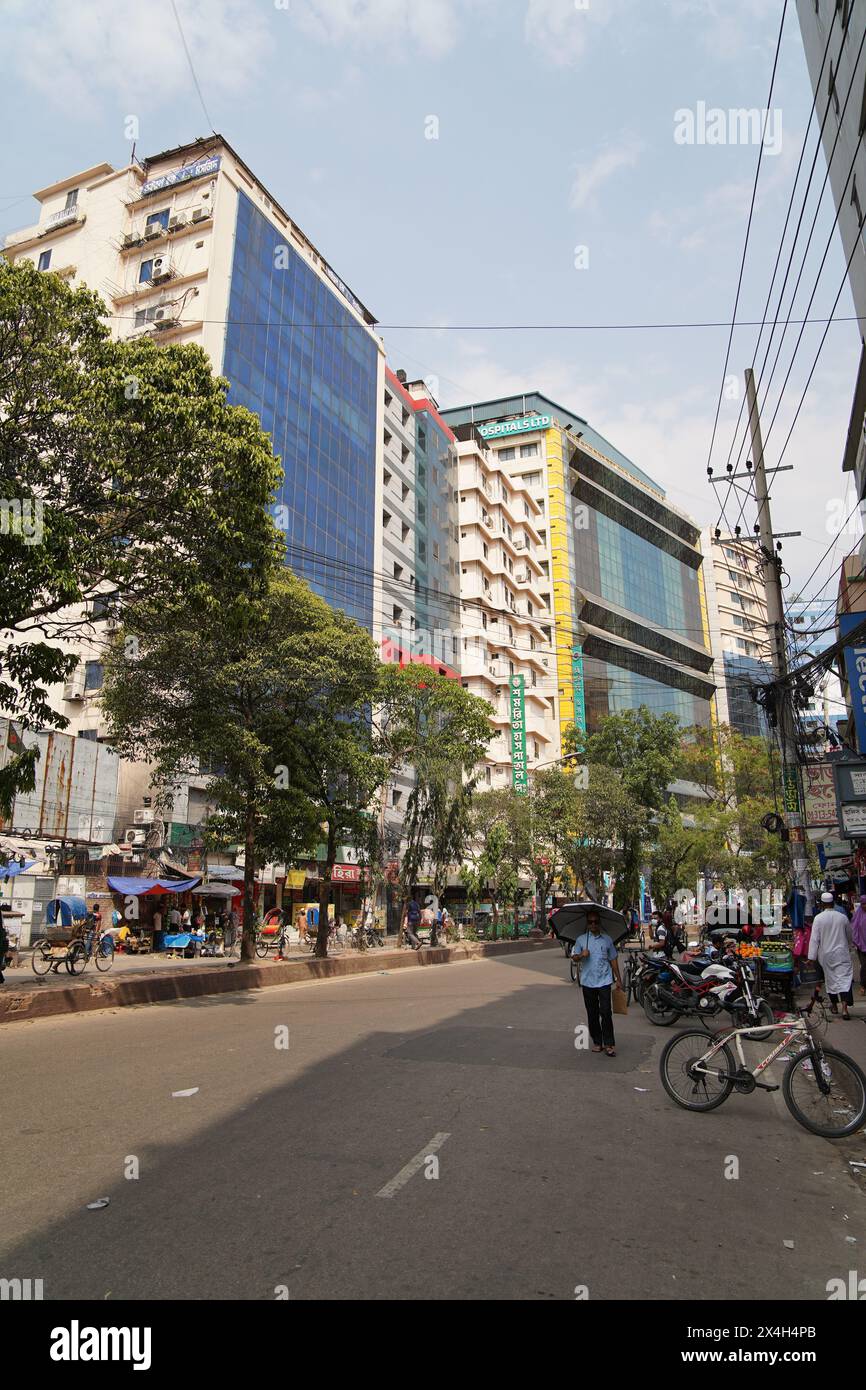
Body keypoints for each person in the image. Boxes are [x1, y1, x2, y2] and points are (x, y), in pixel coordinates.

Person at [572, 910, 622, 1057]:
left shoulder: (607, 940)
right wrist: (582, 955)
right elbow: (574, 957)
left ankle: (609, 1043)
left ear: (599, 923)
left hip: (605, 981)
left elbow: (613, 959)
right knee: (592, 1013)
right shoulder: (581, 940)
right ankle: (597, 1041)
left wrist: (619, 979)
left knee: (606, 1012)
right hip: (588, 982)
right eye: (590, 922)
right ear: (587, 924)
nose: (593, 924)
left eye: (595, 922)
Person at [809, 891, 855, 1019]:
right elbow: (849, 935)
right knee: (845, 980)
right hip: (842, 954)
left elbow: (814, 940)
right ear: (833, 903)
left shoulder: (818, 919)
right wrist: (850, 946)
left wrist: (811, 957)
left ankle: (834, 1006)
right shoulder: (842, 917)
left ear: (822, 904)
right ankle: (845, 1009)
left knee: (831, 981)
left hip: (826, 955)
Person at [850, 895, 866, 997]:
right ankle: (863, 986)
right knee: (864, 966)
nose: (865, 906)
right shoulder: (858, 915)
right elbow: (854, 930)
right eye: (863, 904)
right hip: (862, 946)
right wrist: (858, 943)